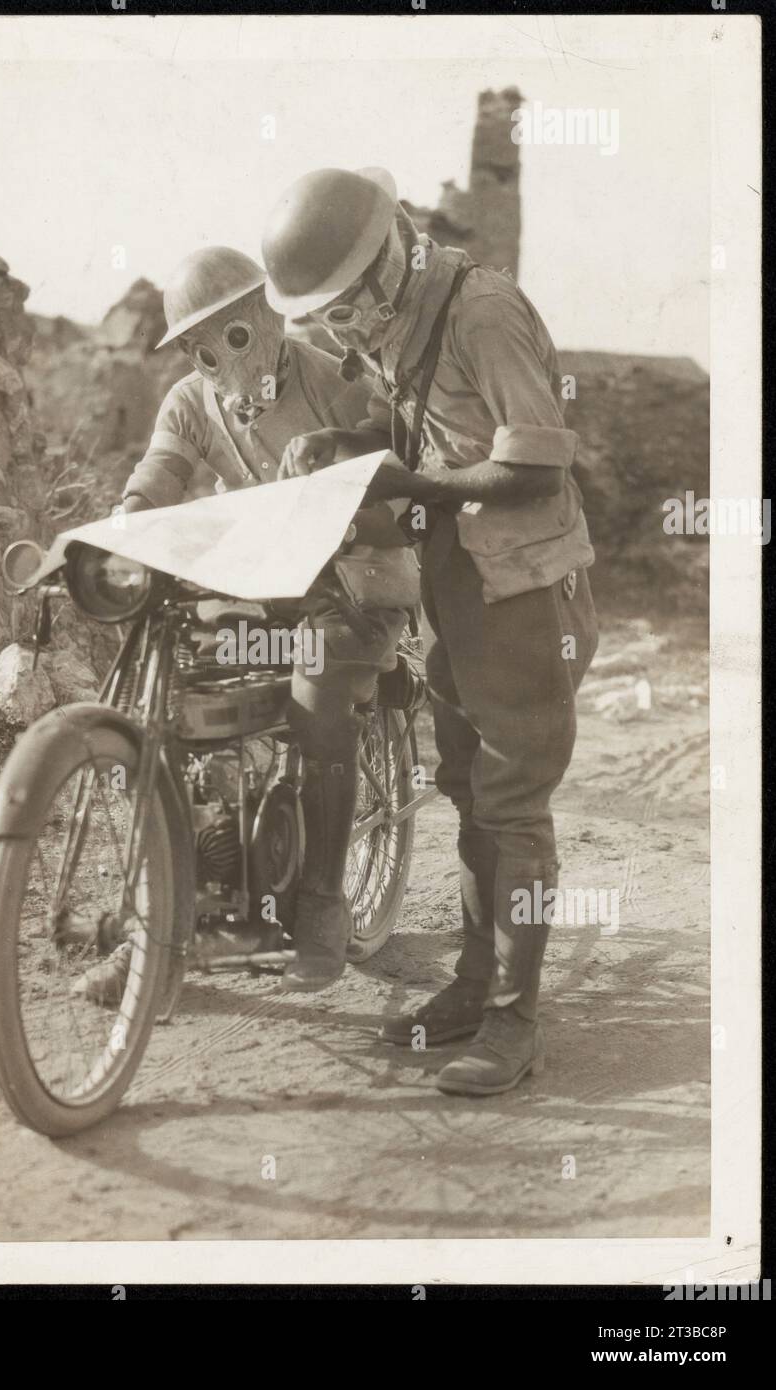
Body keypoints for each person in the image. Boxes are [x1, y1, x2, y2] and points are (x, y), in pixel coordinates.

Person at [260, 167, 598, 1093]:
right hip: (458, 583)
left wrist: (406, 487)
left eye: (344, 307)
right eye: (324, 316)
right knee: (463, 788)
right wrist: (344, 449)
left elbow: (533, 472)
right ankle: (472, 986)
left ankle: (512, 1027)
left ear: (388, 258)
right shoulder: (395, 314)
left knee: (510, 805)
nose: (340, 329)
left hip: (525, 595)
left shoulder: (480, 313)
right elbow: (406, 424)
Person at [106, 246, 419, 993]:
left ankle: (320, 906)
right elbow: (159, 475)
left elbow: (402, 482)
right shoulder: (188, 400)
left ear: (269, 316)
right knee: (162, 702)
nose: (218, 357)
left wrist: (345, 518)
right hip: (266, 588)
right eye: (200, 347)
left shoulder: (335, 380)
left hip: (355, 580)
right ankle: (162, 920)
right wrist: (127, 526)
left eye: (234, 335)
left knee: (317, 696)